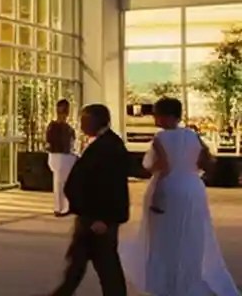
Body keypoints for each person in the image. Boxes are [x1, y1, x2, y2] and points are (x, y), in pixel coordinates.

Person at [119, 97, 239, 296]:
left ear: (165, 116)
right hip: (193, 188)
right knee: (191, 236)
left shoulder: (161, 139)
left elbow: (160, 167)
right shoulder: (193, 135)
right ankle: (189, 280)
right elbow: (204, 162)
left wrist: (157, 192)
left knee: (164, 238)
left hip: (170, 188)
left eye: (156, 114)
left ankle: (167, 283)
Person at [46, 104, 129, 296]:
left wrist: (104, 219)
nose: (81, 125)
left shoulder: (107, 147)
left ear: (97, 121)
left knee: (105, 265)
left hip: (98, 218)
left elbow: (112, 187)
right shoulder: (103, 144)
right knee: (78, 263)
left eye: (85, 120)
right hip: (90, 215)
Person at [47, 99, 78, 217]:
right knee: (62, 183)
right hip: (62, 156)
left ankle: (61, 206)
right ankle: (61, 207)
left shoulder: (54, 126)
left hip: (57, 156)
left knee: (59, 182)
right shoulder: (66, 128)